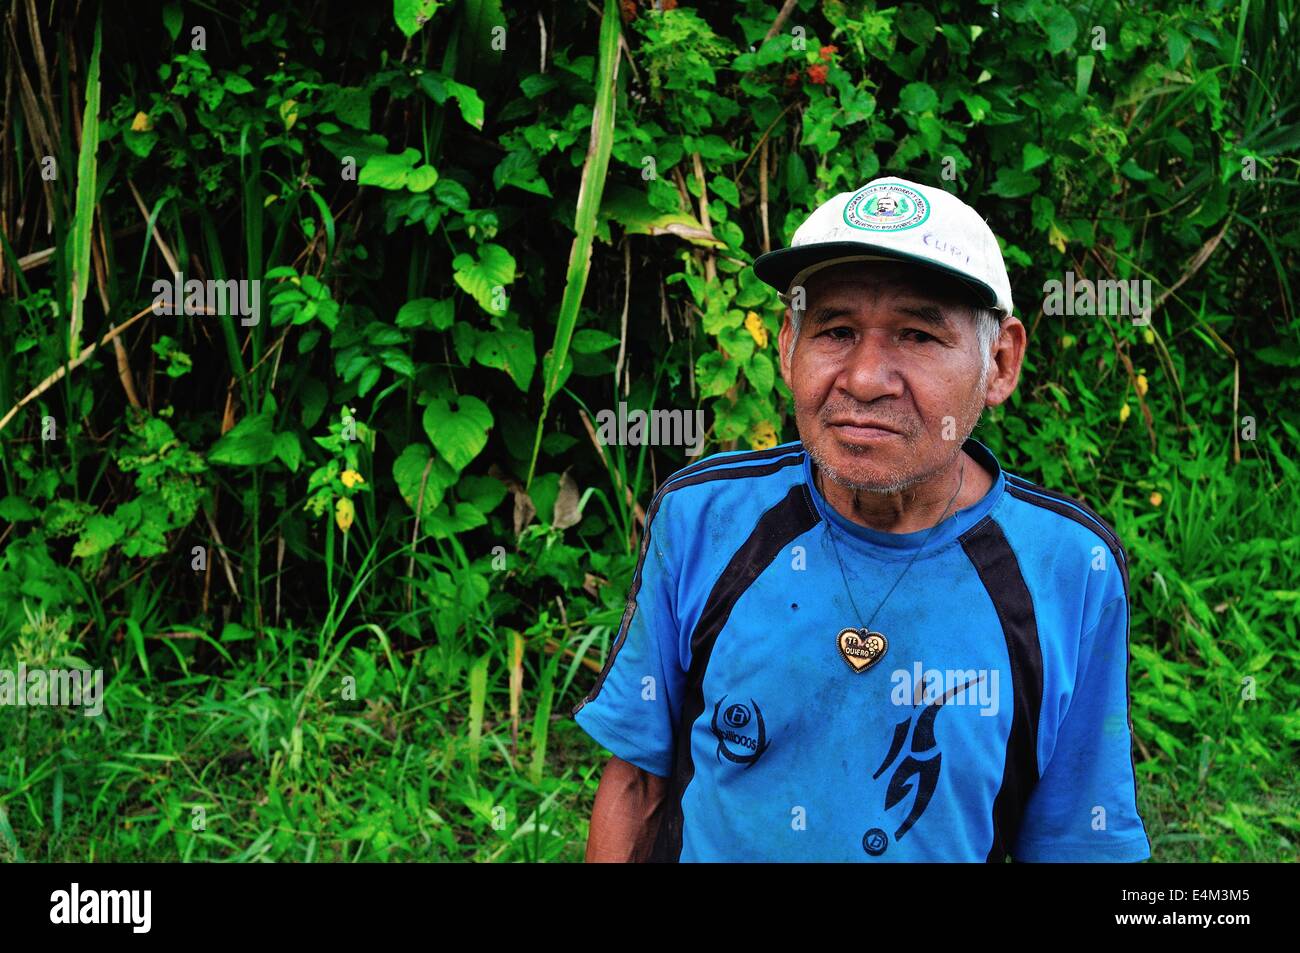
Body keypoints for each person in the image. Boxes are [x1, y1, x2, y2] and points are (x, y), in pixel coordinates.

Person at [571, 175, 1151, 863]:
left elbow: (1076, 841)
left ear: (1000, 362)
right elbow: (638, 783)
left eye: (917, 333)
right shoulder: (704, 520)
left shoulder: (1065, 569)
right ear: (787, 346)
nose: (866, 377)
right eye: (836, 330)